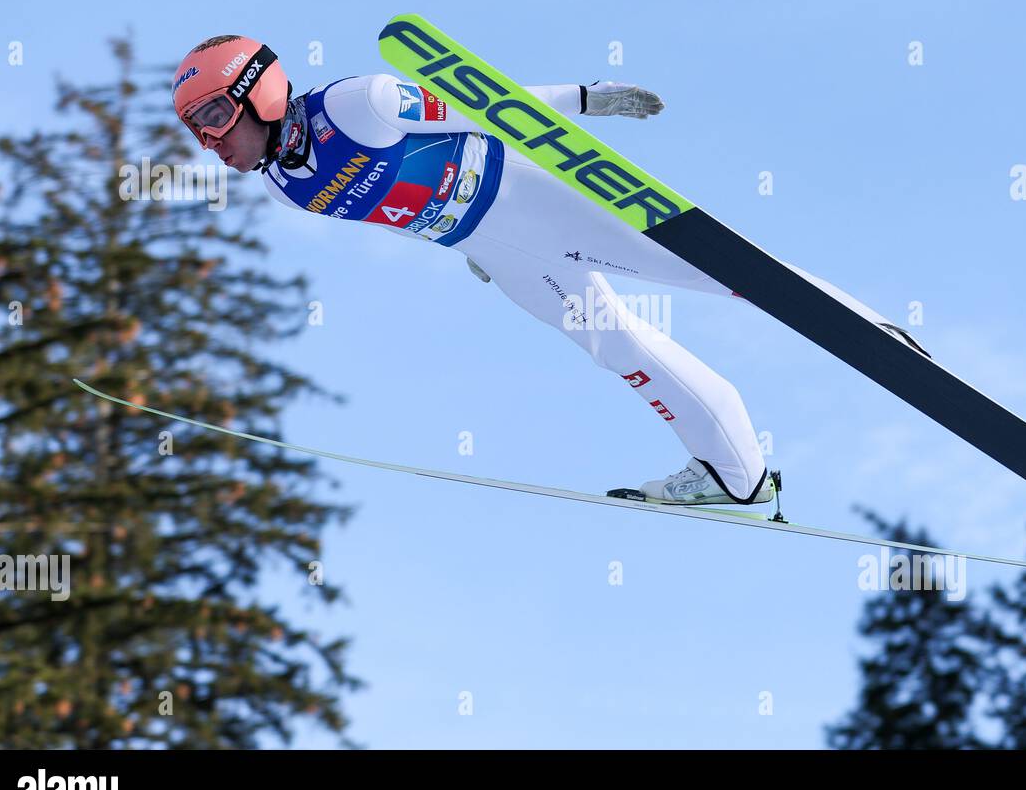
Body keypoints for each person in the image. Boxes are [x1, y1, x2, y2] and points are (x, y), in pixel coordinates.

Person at [173, 34, 841, 506]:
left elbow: (486, 104)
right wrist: (465, 249)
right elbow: (395, 209)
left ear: (255, 89)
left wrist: (585, 98)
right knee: (620, 347)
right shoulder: (285, 187)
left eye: (212, 116)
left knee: (709, 265)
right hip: (498, 251)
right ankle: (737, 475)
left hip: (530, 198)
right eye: (194, 130)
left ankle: (869, 328)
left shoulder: (357, 104)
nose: (210, 141)